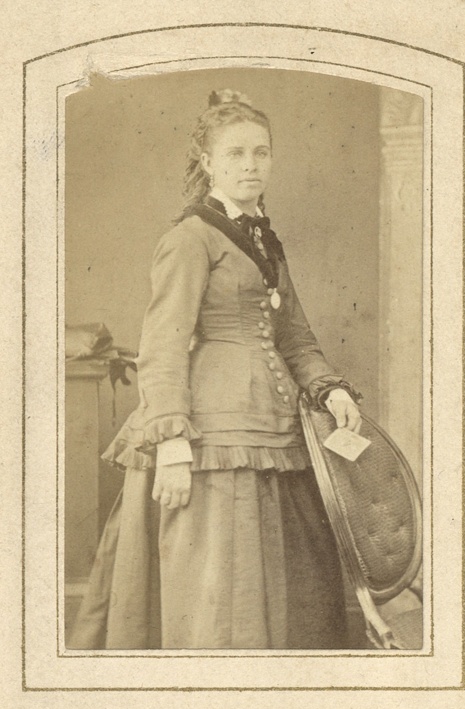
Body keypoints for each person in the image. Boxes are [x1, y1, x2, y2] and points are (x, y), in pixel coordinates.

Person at [69, 88, 363, 651]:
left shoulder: (264, 241)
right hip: (212, 432)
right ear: (208, 163)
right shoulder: (190, 237)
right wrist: (174, 446)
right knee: (218, 584)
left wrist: (329, 391)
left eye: (261, 152)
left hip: (277, 426)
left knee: (289, 583)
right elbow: (162, 344)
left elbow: (295, 335)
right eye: (235, 154)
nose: (251, 165)